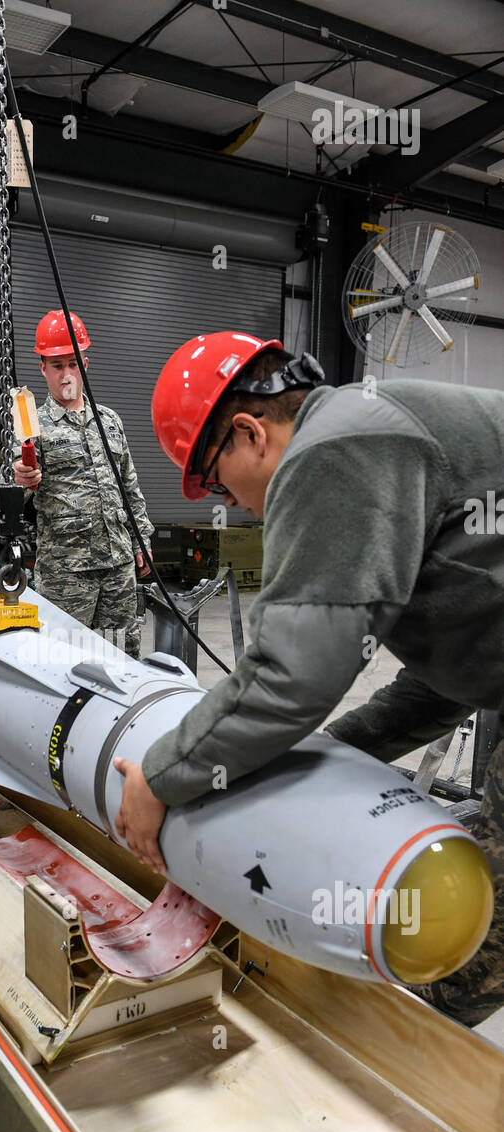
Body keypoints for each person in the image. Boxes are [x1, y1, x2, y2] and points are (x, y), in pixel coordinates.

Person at [113, 330, 504, 1027]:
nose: (229, 503)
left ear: (248, 432)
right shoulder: (369, 431)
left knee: (472, 960)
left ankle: (417, 1104)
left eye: (211, 478)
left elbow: (290, 675)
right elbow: (446, 679)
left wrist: (160, 776)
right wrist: (327, 753)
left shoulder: (336, 450)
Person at [11, 309, 154, 660]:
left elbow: (129, 487)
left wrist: (142, 540)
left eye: (72, 364)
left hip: (118, 565)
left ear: (85, 365)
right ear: (43, 368)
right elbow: (22, 477)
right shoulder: (32, 421)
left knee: (121, 657)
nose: (66, 374)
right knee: (63, 660)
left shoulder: (109, 420)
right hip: (66, 572)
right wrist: (24, 477)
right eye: (57, 365)